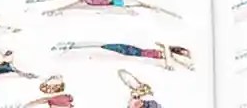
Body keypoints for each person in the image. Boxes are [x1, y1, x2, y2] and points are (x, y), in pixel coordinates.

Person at [52, 42, 194, 71]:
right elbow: (162, 45)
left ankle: (72, 47)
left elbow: (172, 63)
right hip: (134, 50)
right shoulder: (168, 53)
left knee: (103, 47)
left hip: (133, 53)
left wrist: (188, 65)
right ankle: (72, 46)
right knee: (103, 46)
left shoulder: (169, 56)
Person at [33, 0, 181, 19]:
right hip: (117, 2)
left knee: (141, 4)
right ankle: (156, 8)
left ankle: (157, 8)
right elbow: (70, 5)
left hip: (118, 1)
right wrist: (55, 10)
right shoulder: (84, 1)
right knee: (139, 5)